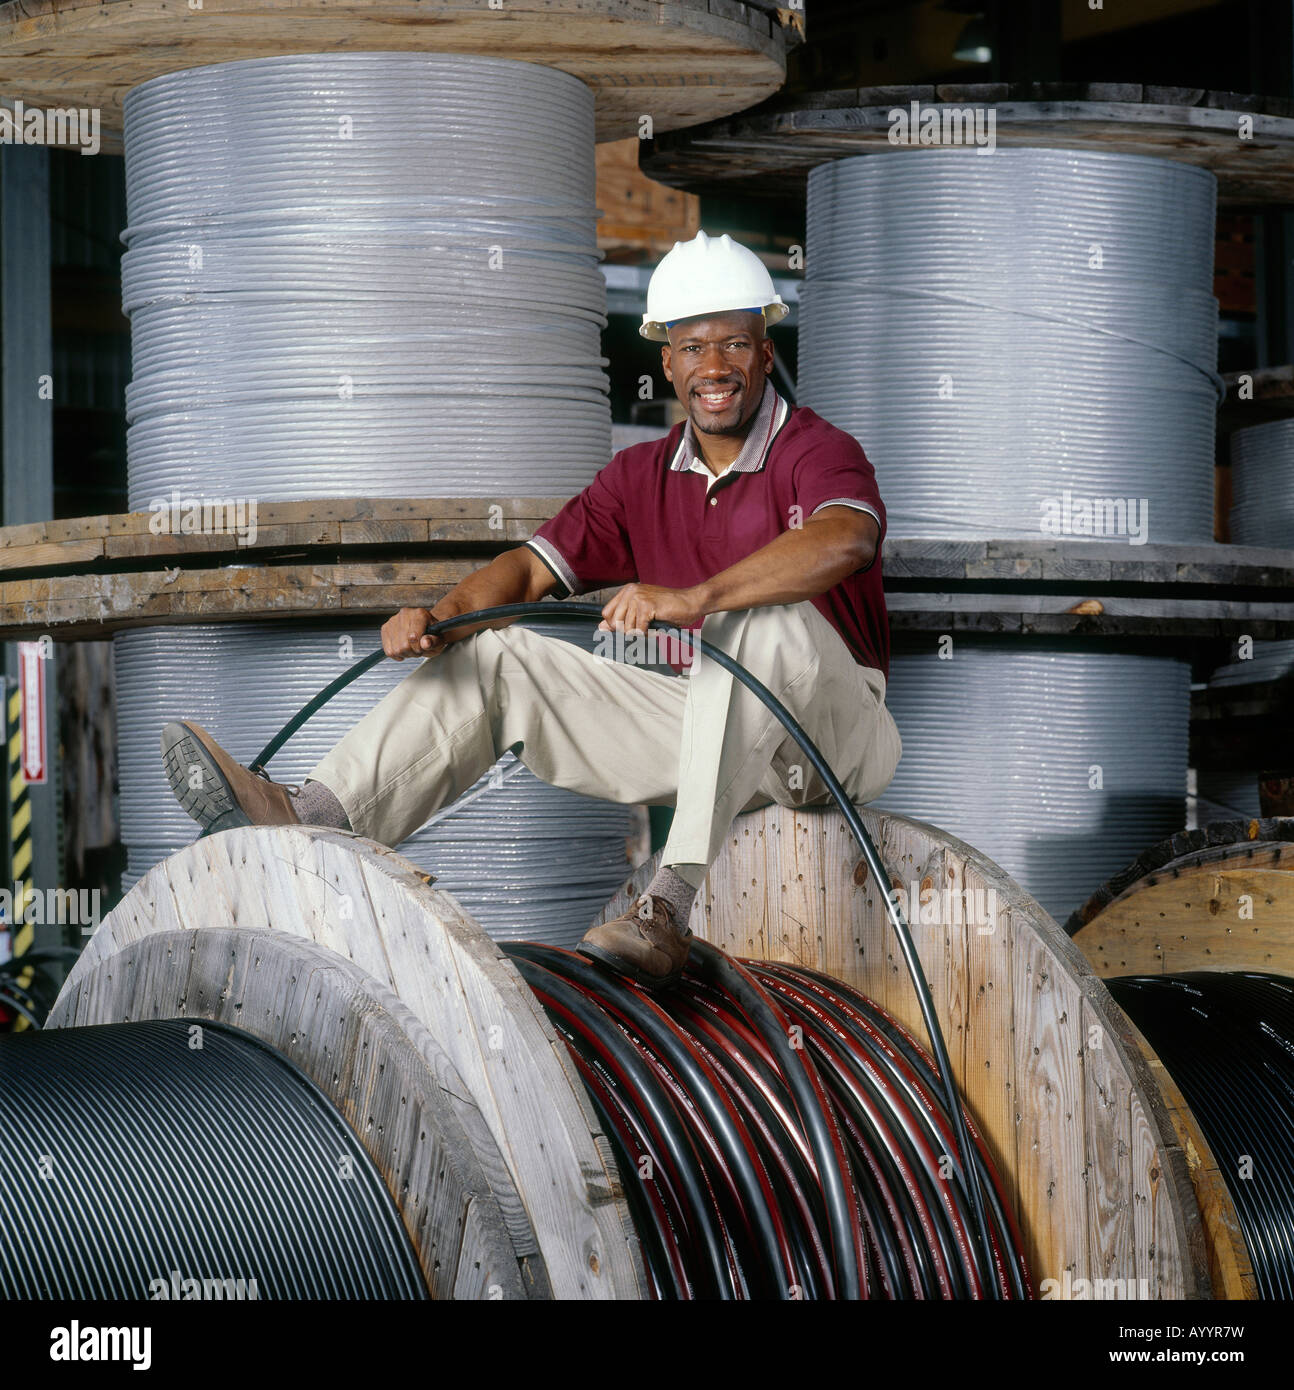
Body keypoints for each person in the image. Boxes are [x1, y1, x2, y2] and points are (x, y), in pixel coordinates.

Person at [161, 230, 902, 989]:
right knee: (492, 658)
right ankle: (309, 817)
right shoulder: (638, 476)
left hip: (831, 736)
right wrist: (441, 617)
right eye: (694, 347)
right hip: (710, 724)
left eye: (735, 346)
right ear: (668, 362)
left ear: (765, 353)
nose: (715, 368)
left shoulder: (817, 449)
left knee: (762, 619)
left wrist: (694, 598)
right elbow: (526, 572)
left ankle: (666, 911)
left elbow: (845, 539)